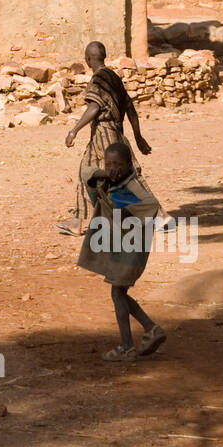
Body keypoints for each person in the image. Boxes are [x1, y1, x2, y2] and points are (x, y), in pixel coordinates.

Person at [78, 140, 166, 362]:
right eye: (108, 164)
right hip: (123, 247)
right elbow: (89, 179)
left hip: (132, 249)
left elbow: (151, 205)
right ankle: (150, 329)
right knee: (119, 293)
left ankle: (128, 346)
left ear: (128, 166)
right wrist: (99, 177)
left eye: (118, 164)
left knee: (117, 293)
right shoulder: (110, 181)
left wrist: (129, 212)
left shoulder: (133, 186)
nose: (112, 169)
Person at [59, 40, 152, 235]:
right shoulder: (113, 77)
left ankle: (157, 217)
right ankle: (78, 221)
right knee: (86, 172)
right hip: (113, 133)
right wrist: (137, 136)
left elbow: (94, 107)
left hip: (104, 132)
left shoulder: (98, 79)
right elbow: (130, 107)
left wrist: (73, 130)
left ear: (87, 59)